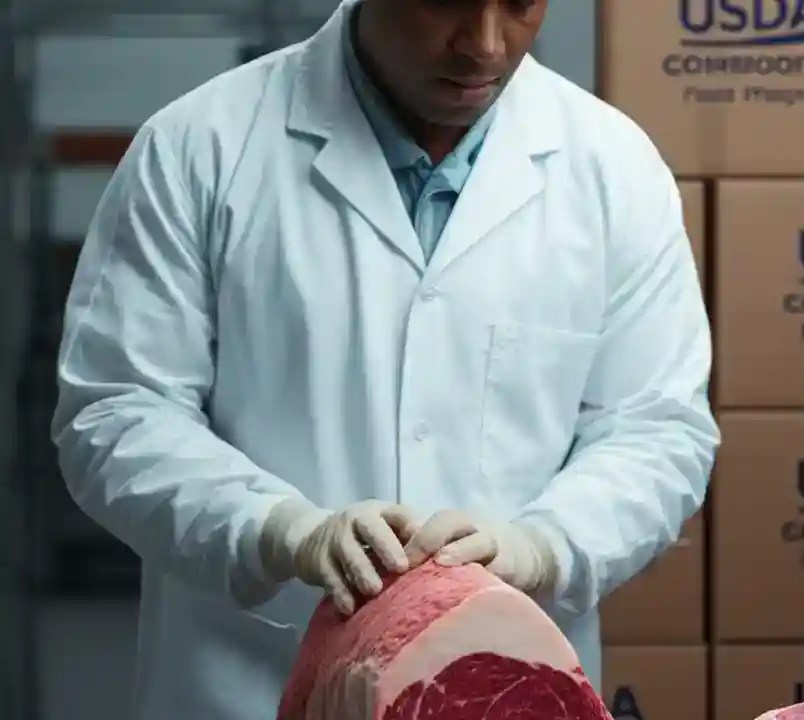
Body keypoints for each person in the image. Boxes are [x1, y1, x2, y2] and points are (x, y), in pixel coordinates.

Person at [50, 0, 719, 717]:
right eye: (446, 4)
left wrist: (545, 546)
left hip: (504, 687)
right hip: (248, 683)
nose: (486, 46)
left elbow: (658, 428)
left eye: (521, 4)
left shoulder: (612, 166)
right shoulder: (198, 148)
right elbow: (116, 413)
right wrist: (277, 531)